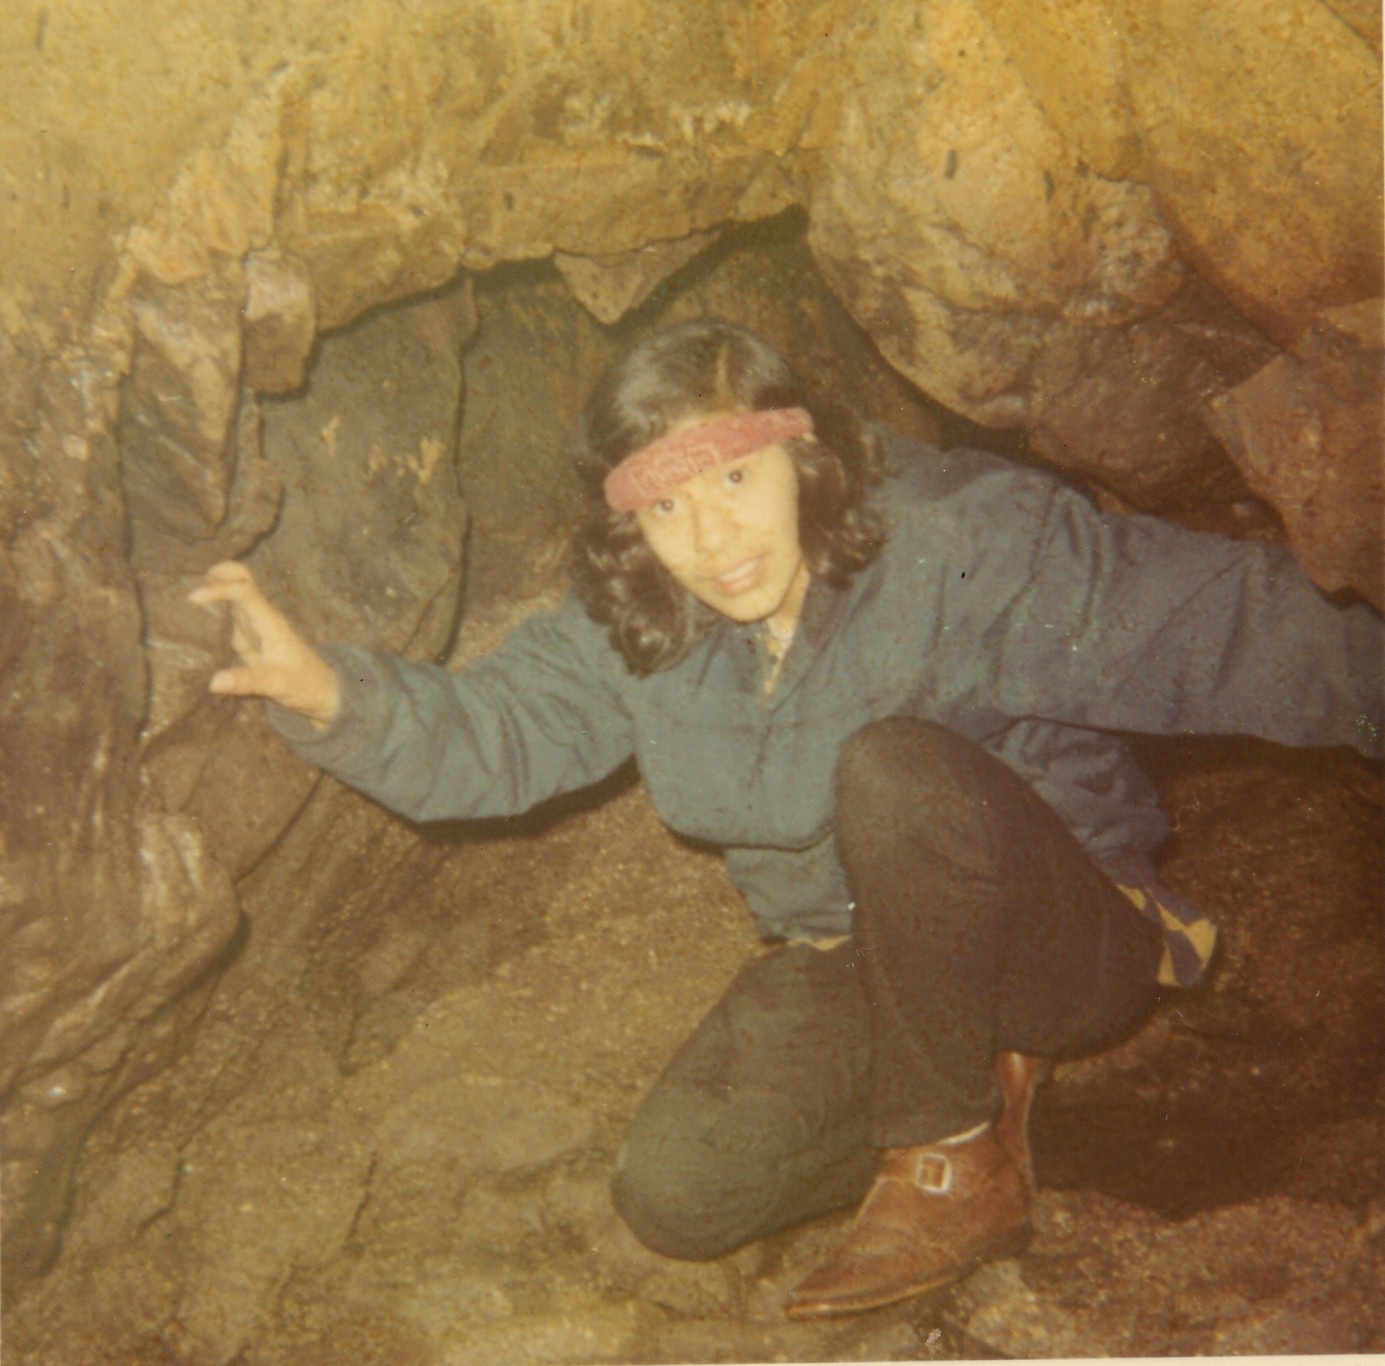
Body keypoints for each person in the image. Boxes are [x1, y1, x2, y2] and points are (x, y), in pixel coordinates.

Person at [192, 319, 1383, 1318]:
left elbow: (1223, 625)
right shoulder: (650, 611)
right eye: (664, 509)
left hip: (1055, 933)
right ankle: (975, 1091)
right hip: (860, 955)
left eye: (730, 480)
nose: (709, 540)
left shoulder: (959, 542)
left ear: (798, 458)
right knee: (676, 1194)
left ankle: (951, 1151)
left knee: (889, 773)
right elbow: (500, 730)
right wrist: (330, 696)